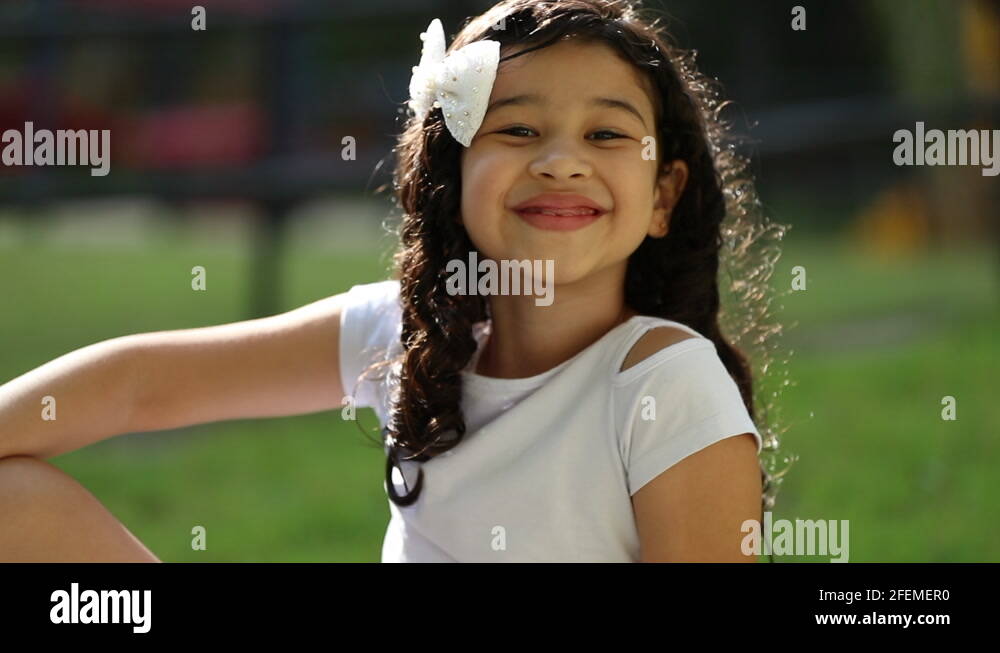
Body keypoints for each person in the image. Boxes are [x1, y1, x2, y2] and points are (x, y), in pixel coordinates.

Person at [0, 0, 785, 563]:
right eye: (517, 128)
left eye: (606, 133)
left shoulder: (665, 380)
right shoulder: (407, 333)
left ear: (663, 196)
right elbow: (140, 384)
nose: (560, 159)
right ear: (454, 172)